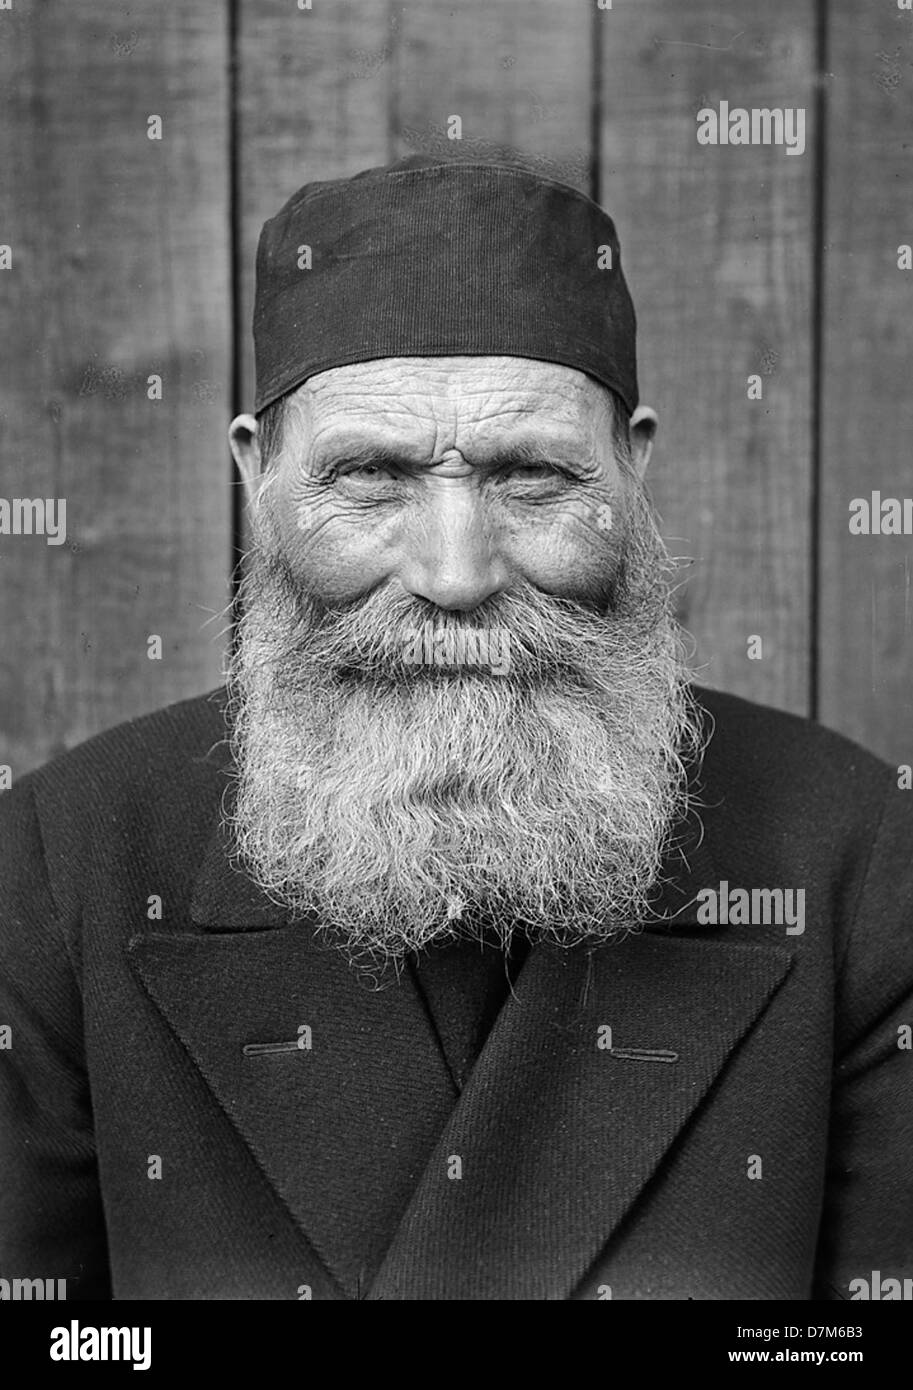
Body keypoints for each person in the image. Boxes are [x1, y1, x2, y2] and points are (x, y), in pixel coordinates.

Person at [1, 154, 911, 1301]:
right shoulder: (62, 861)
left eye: (530, 477)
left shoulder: (856, 856)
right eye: (370, 478)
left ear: (632, 468)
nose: (453, 572)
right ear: (257, 475)